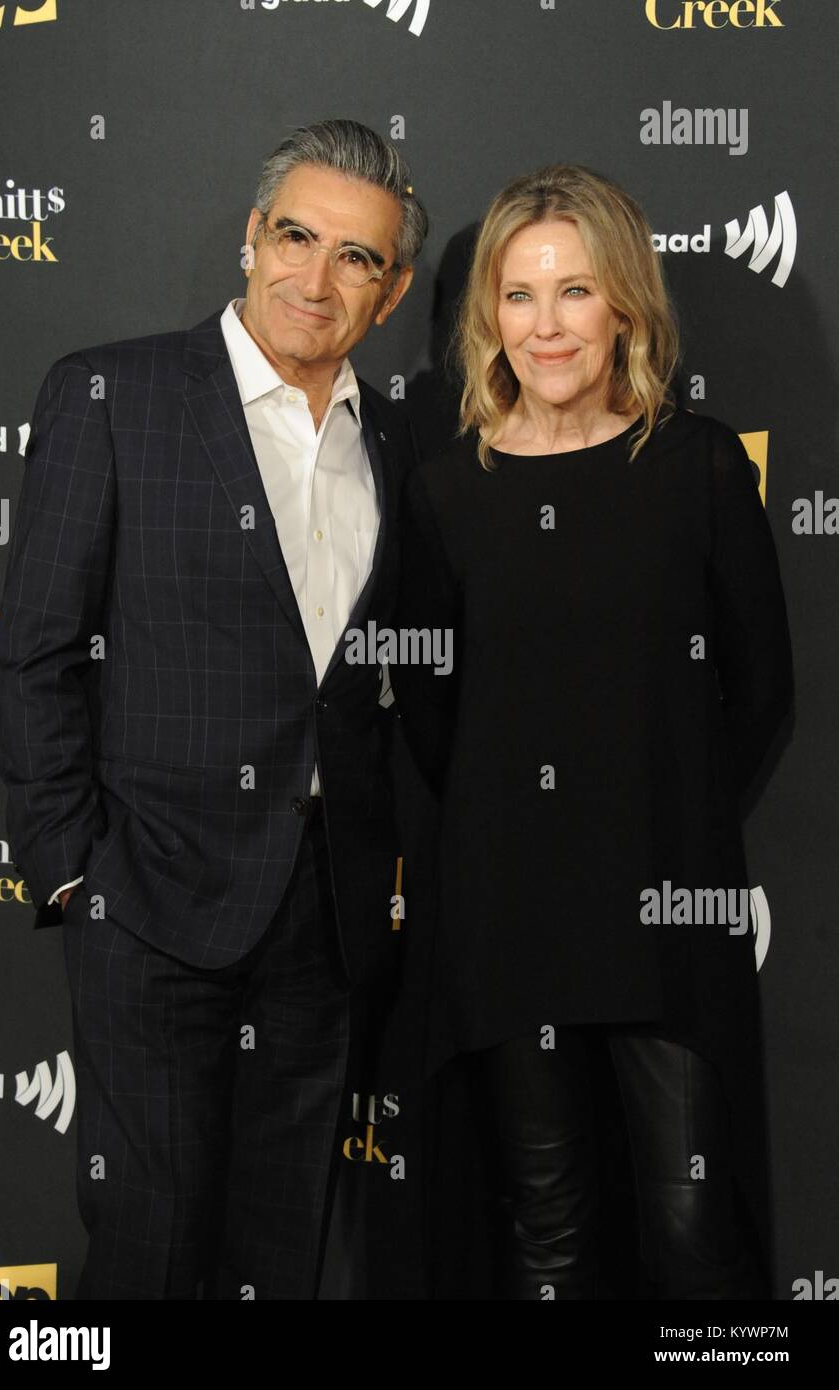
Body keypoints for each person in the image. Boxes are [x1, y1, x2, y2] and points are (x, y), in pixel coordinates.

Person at [0, 118, 426, 1300]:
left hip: (324, 922)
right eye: (296, 237)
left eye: (356, 257)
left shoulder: (398, 439)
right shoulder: (114, 393)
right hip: (150, 904)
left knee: (277, 1254)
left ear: (391, 292)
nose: (315, 279)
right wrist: (73, 874)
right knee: (151, 1246)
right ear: (251, 236)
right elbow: (34, 652)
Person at [394, 163, 793, 1299]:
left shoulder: (699, 467)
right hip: (510, 918)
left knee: (693, 1228)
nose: (547, 325)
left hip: (666, 911)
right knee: (548, 1231)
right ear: (488, 317)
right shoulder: (447, 493)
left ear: (624, 304)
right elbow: (432, 712)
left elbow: (761, 692)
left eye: (574, 290)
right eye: (519, 295)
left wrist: (659, 817)